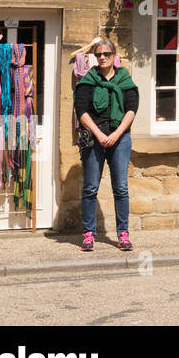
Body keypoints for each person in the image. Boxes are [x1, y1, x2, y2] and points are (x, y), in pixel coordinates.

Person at [74, 40, 139, 252]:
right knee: (90, 188)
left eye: (107, 53)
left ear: (114, 55)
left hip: (119, 138)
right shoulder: (87, 81)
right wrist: (100, 135)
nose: (102, 57)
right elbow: (81, 111)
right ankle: (89, 234)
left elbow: (131, 109)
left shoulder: (124, 79)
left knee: (120, 188)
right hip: (95, 138)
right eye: (99, 54)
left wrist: (116, 134)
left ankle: (123, 234)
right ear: (94, 56)